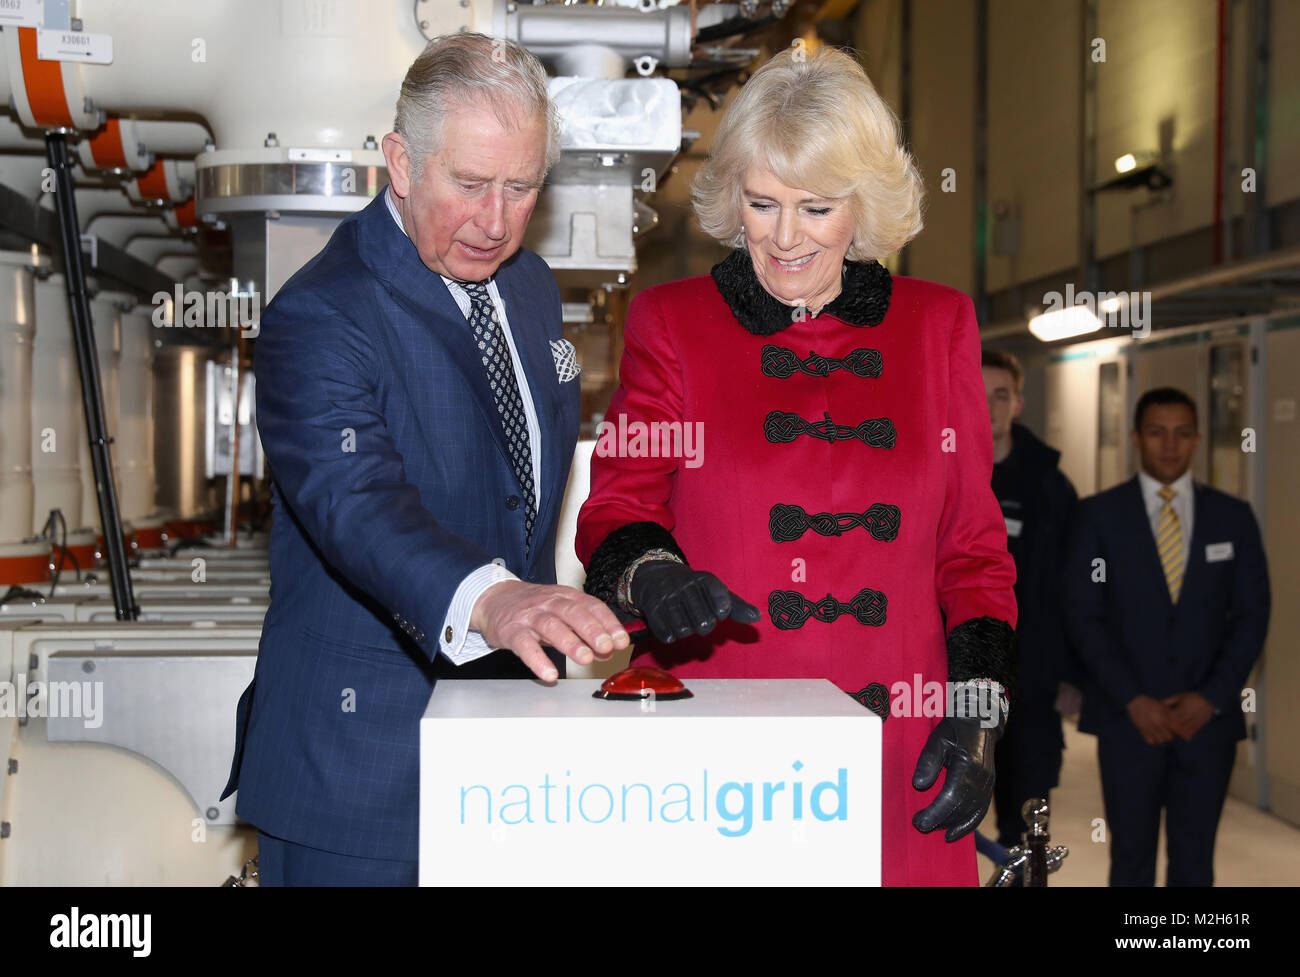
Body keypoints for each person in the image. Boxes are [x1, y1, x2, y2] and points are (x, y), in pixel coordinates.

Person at [575, 46, 1018, 886]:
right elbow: (619, 504)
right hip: (726, 754)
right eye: (762, 203)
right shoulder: (671, 324)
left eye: (817, 208)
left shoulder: (940, 327)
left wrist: (977, 709)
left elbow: (973, 553)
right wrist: (650, 570)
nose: (783, 237)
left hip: (903, 751)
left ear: (865, 205)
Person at [221, 34, 629, 886]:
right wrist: (493, 598)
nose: (496, 221)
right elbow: (357, 502)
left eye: (521, 187)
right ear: (401, 164)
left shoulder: (529, 287)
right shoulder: (321, 313)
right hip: (359, 781)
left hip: (504, 768)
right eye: (470, 184)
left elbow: (515, 492)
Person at [1065, 387, 1270, 886]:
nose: (1171, 445)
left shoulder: (1232, 517)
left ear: (1198, 439)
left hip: (1206, 726)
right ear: (1136, 438)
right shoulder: (1100, 516)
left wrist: (1212, 697)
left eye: (1182, 433)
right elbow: (1083, 616)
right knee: (1130, 860)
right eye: (1158, 433)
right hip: (1127, 722)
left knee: (1195, 862)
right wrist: (1133, 699)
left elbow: (1252, 616)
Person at [981, 350, 1077, 851]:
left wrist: (1071, 675)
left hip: (1033, 684)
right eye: (978, 393)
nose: (989, 406)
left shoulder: (1050, 487)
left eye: (1001, 395)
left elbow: (1074, 589)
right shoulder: (936, 473)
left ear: (1018, 403)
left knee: (1024, 833)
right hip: (952, 680)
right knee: (941, 820)